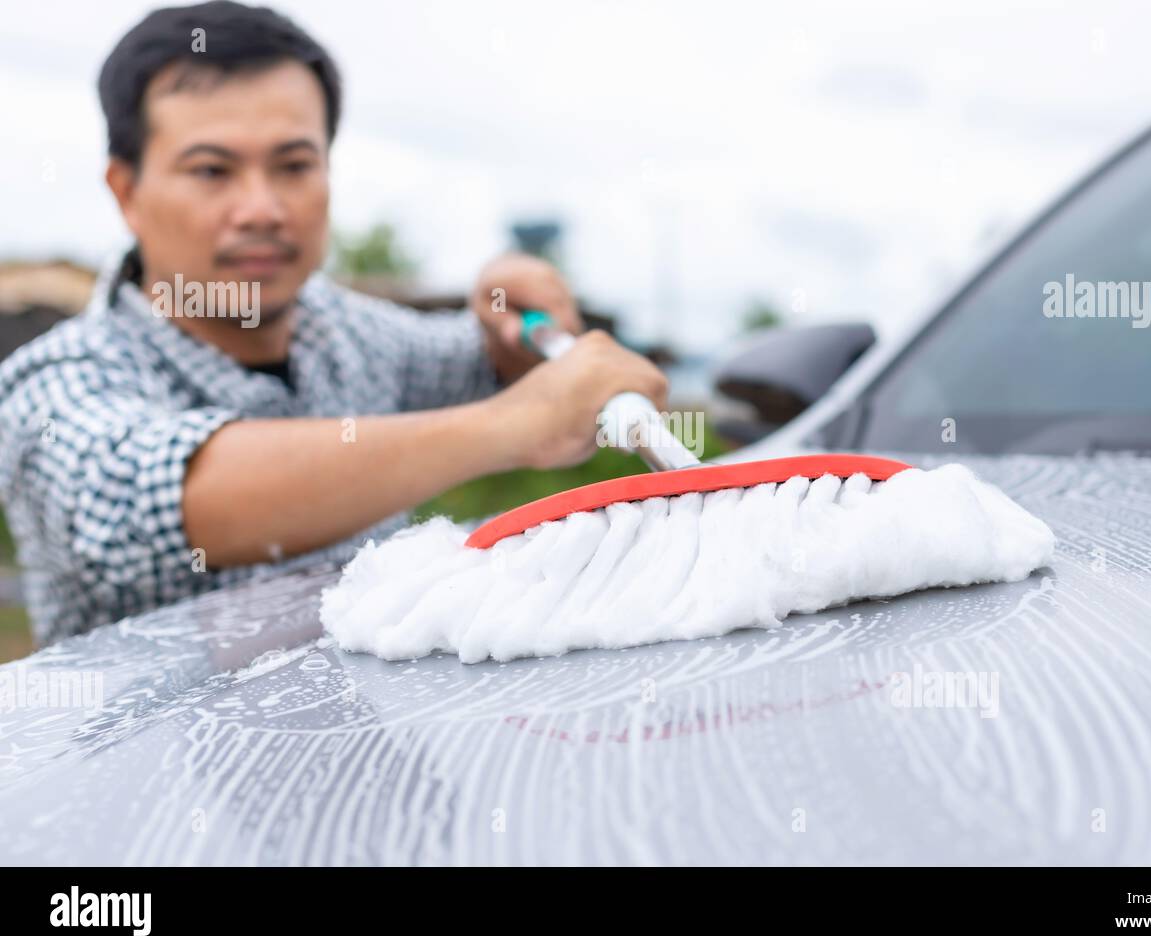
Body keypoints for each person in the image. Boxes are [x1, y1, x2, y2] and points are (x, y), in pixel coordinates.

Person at [0, 1, 667, 644]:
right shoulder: (57, 383)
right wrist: (516, 424)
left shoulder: (347, 332)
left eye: (294, 165)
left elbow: (491, 362)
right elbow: (158, 501)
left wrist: (510, 322)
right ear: (126, 191)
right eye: (212, 170)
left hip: (380, 752)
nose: (262, 208)